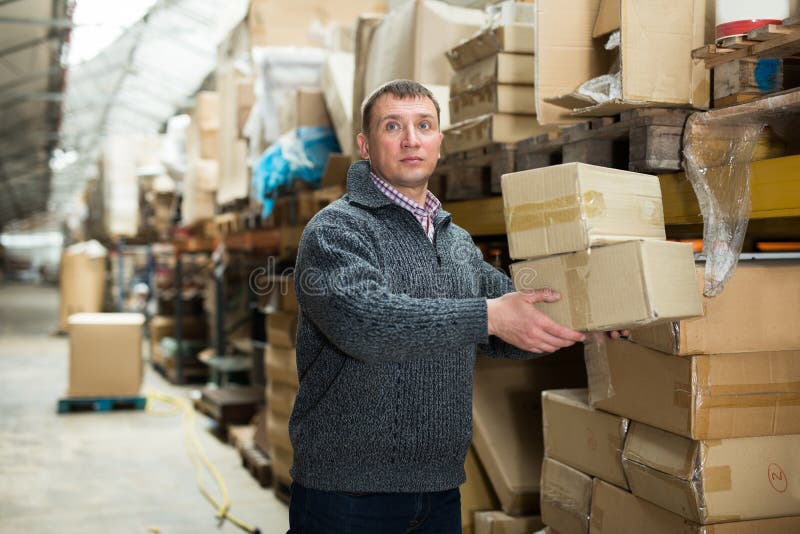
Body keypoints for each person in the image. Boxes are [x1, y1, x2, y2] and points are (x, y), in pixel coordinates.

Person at [287, 79, 621, 533]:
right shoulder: (336, 231)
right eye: (393, 126)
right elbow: (367, 324)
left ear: (439, 143)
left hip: (439, 489)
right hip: (349, 493)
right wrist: (487, 314)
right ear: (365, 146)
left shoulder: (456, 242)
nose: (411, 139)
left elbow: (511, 328)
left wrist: (587, 322)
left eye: (423, 125)